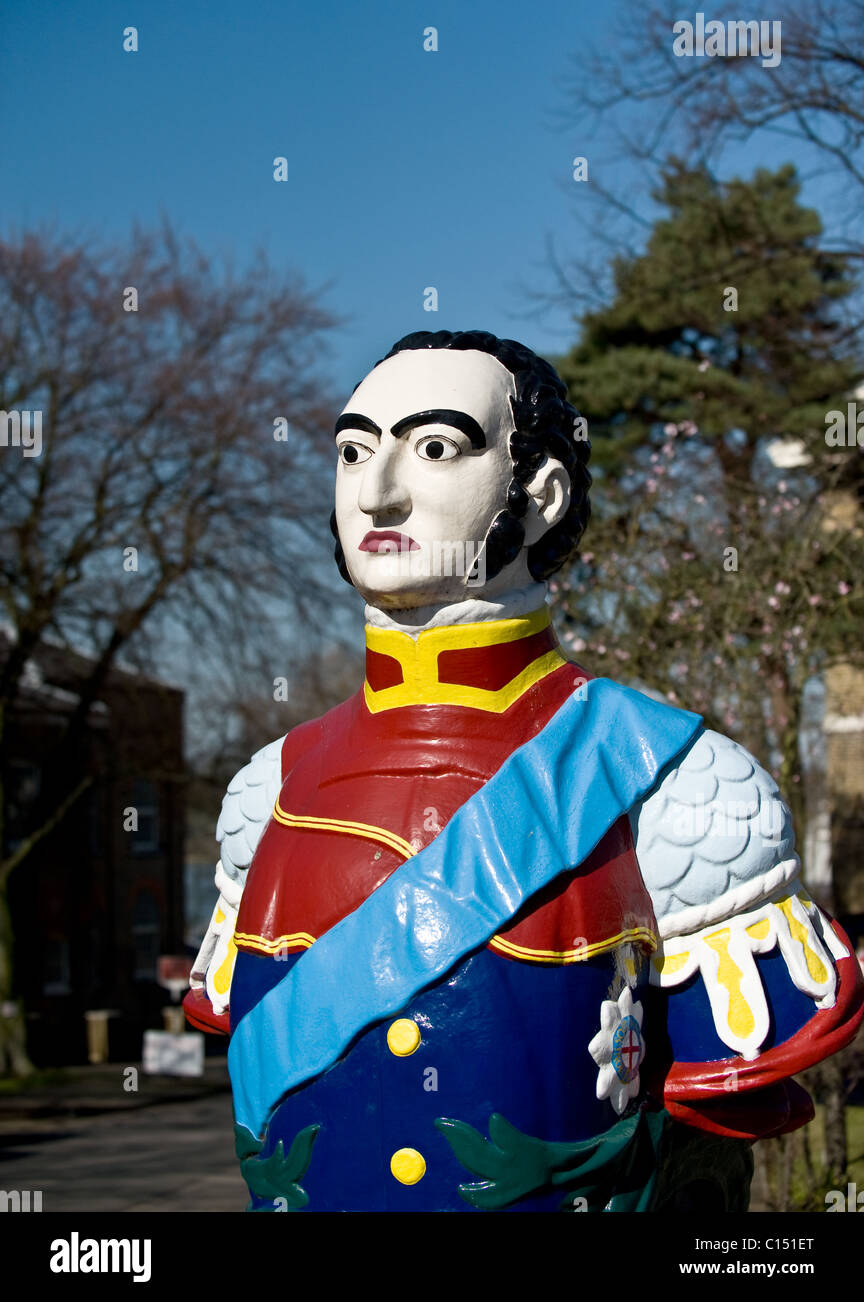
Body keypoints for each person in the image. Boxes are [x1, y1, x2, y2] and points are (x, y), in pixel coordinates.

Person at [185, 329, 864, 1212]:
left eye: (433, 448)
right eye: (354, 451)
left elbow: (704, 1164)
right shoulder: (265, 792)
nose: (377, 493)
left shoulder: (679, 781)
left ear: (541, 496)